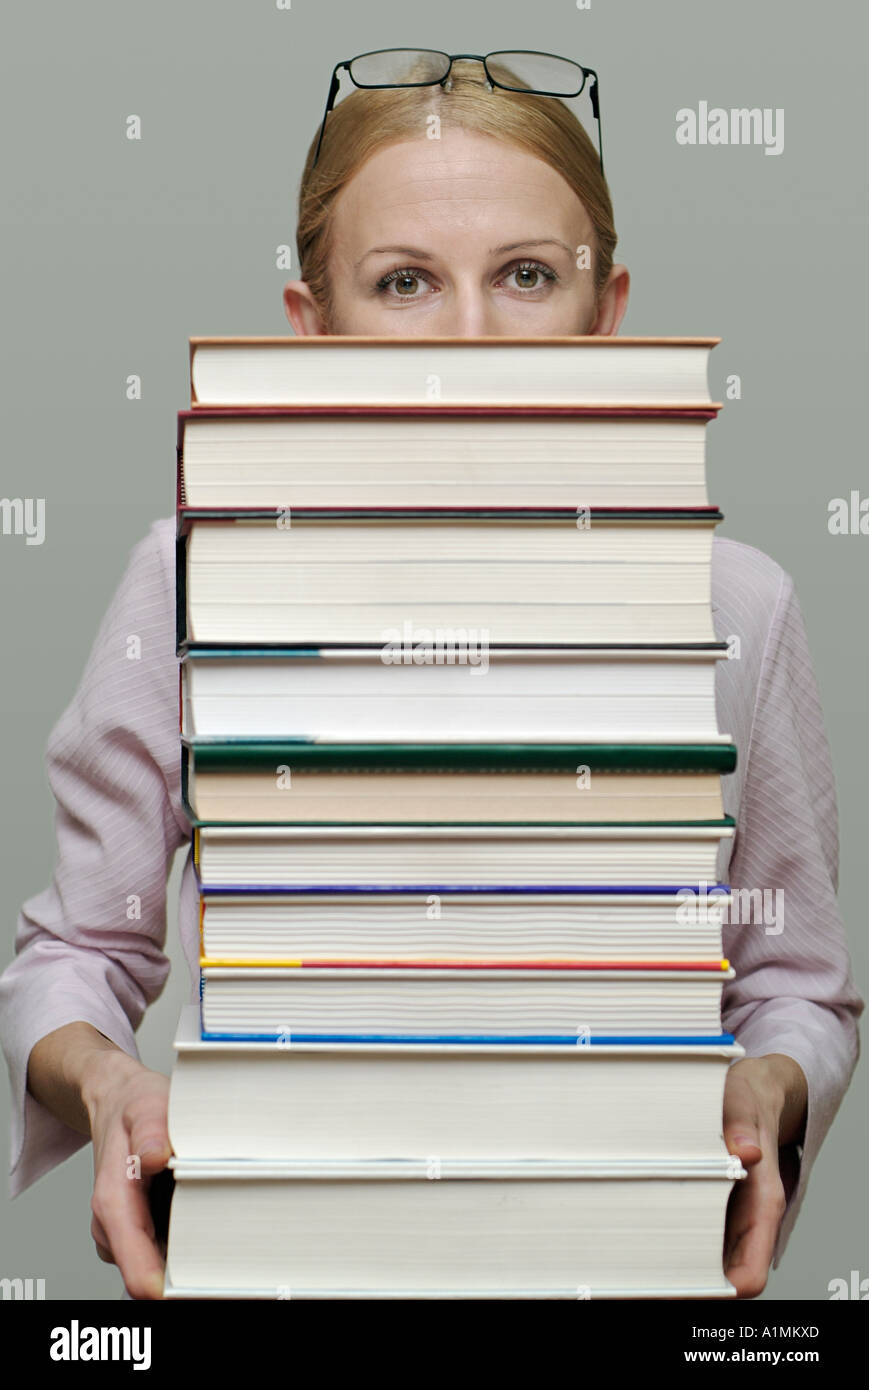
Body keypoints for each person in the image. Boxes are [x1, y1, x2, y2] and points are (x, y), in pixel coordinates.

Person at [0, 54, 862, 1302]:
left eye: (526, 276)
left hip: (618, 1262)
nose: (468, 338)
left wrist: (767, 1086)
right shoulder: (186, 579)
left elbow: (794, 981)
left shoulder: (736, 603)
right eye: (403, 282)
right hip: (278, 1265)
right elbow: (78, 948)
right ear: (313, 328)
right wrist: (110, 1079)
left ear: (604, 311)